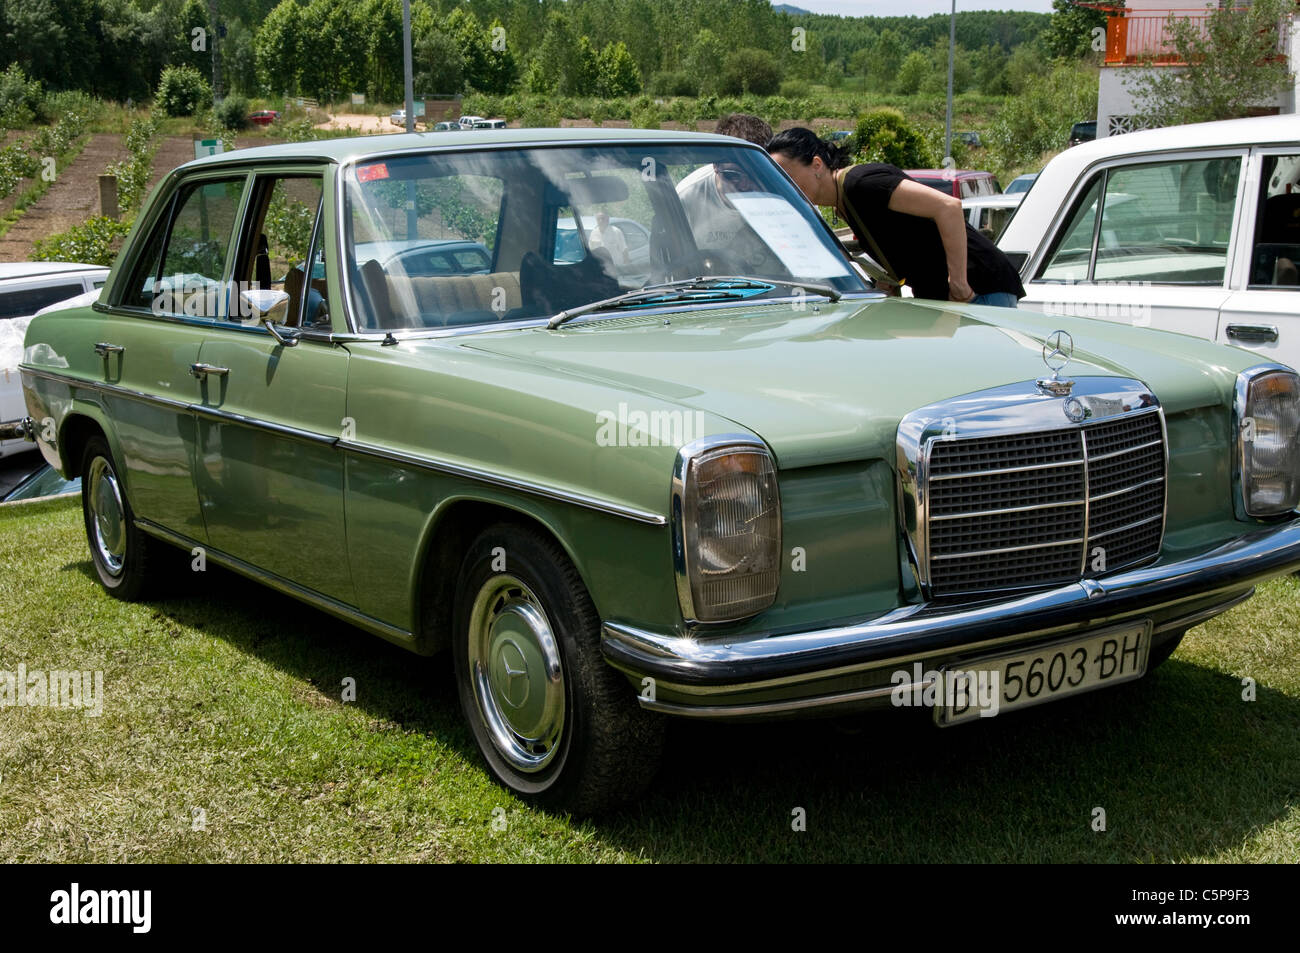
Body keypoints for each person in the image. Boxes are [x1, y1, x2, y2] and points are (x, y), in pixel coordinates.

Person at [766, 127, 1026, 307]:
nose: (784, 183)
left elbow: (948, 206)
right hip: (948, 297)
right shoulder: (844, 204)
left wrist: (958, 282)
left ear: (817, 165)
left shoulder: (860, 183)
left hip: (978, 288)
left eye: (787, 174)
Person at [676, 113, 784, 275]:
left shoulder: (786, 192)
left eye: (756, 174)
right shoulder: (687, 196)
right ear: (715, 165)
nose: (745, 184)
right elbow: (673, 266)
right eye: (733, 175)